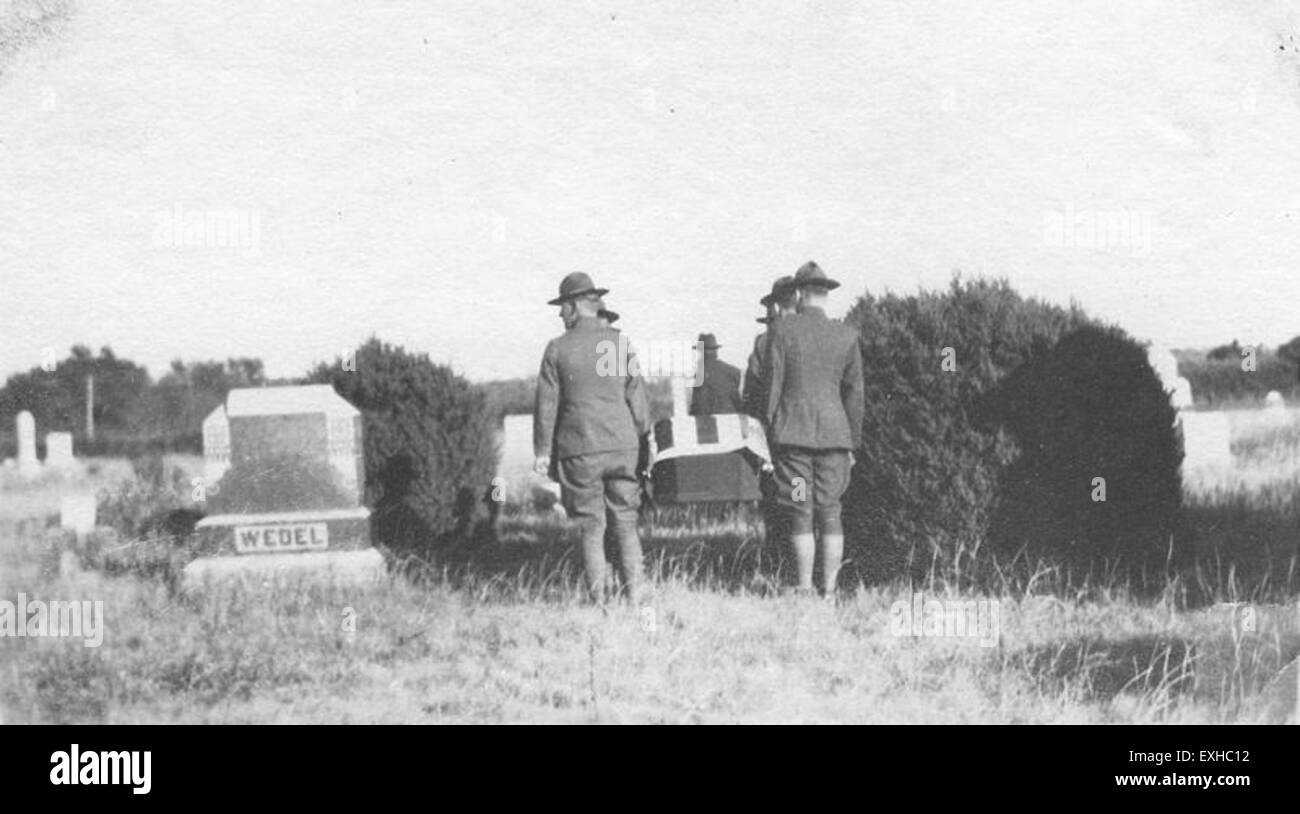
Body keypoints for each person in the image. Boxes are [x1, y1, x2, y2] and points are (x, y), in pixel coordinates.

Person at [534, 272, 653, 601]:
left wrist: (543, 451)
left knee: (591, 526)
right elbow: (637, 398)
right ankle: (637, 595)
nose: (560, 314)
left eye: (562, 307)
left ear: (573, 307)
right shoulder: (618, 343)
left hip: (580, 449)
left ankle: (601, 601)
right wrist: (646, 437)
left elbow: (547, 407)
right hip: (623, 445)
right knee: (626, 522)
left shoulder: (557, 349)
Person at [762, 261, 865, 597]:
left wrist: (770, 429)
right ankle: (831, 590)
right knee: (831, 510)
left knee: (799, 509)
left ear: (800, 294)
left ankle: (805, 587)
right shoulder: (846, 335)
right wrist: (852, 443)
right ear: (824, 294)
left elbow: (771, 389)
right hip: (836, 439)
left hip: (792, 440)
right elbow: (855, 395)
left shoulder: (781, 331)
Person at [742, 275, 797, 418]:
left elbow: (753, 383)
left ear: (776, 305)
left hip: (779, 420)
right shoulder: (813, 333)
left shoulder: (764, 341)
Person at [688, 333, 742, 415]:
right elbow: (738, 403)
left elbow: (699, 406)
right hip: (732, 421)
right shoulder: (733, 371)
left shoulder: (701, 373)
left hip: (711, 422)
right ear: (716, 350)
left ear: (701, 352)